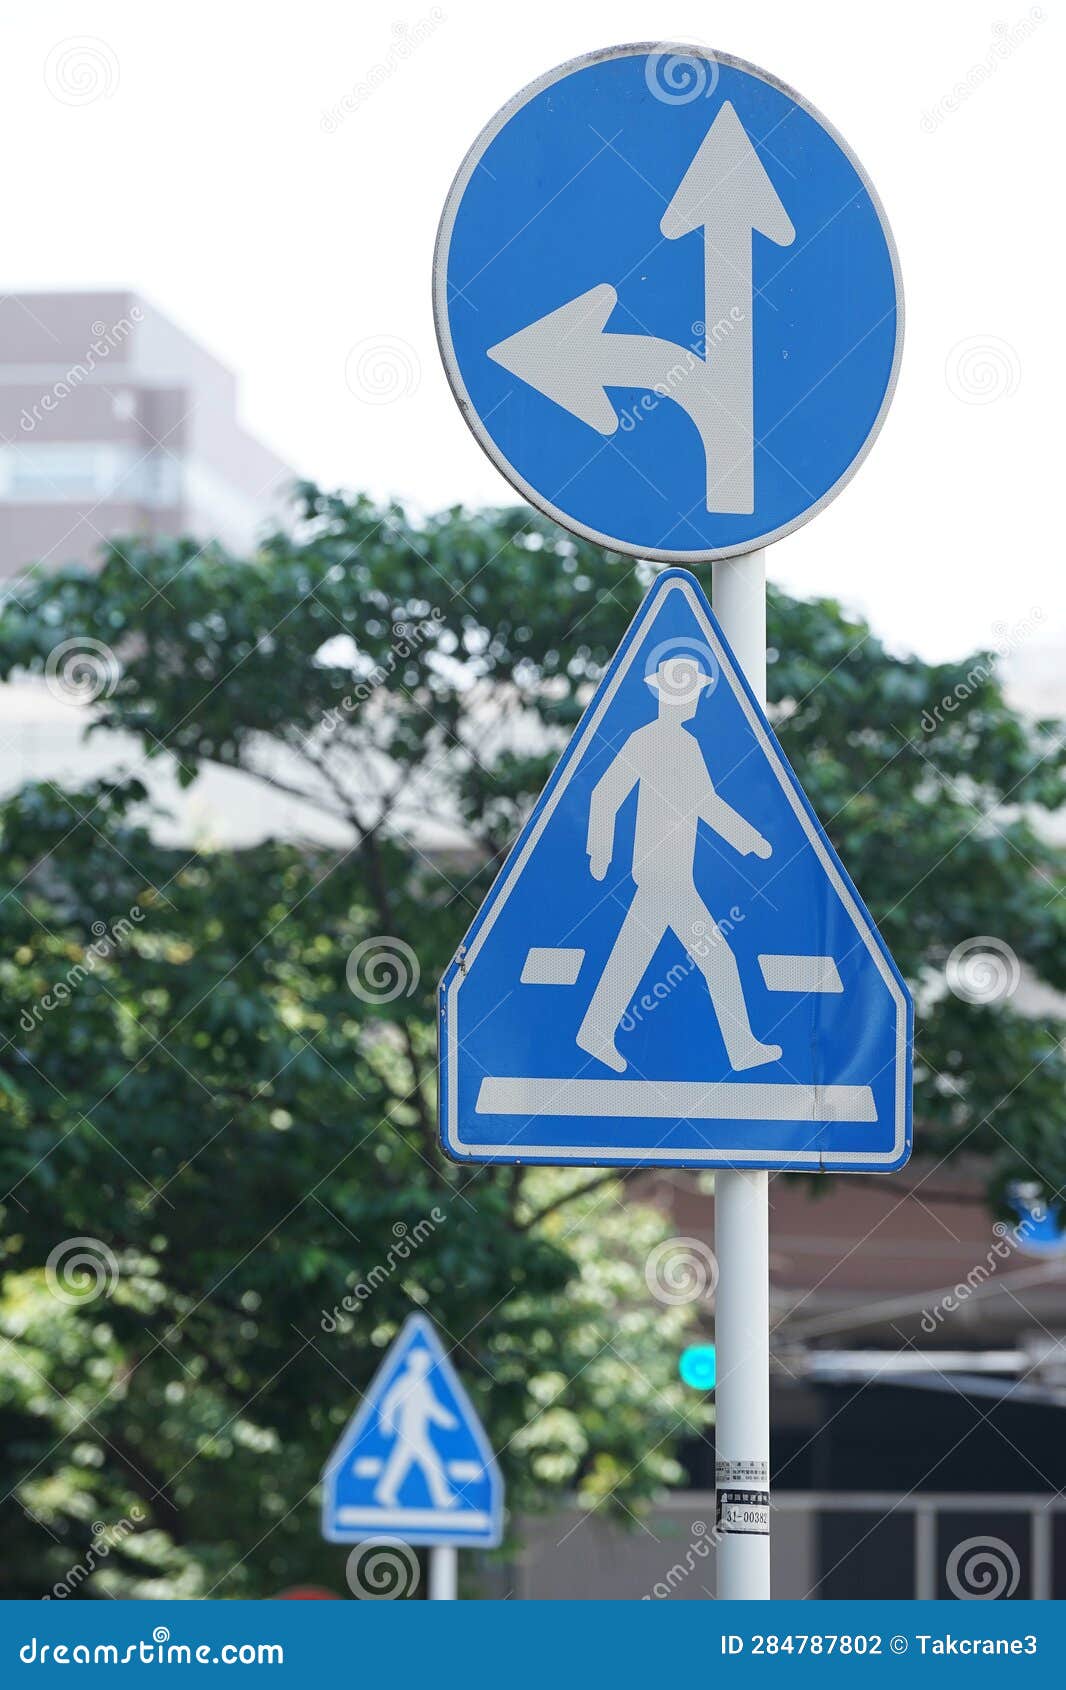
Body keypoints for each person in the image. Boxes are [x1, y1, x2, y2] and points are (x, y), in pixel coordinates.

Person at [576, 651, 782, 1075]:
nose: (695, 701)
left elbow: (705, 802)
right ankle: (740, 1048)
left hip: (669, 876)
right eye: (691, 693)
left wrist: (751, 840)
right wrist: (600, 851)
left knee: (634, 956)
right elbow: (605, 794)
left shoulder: (685, 744)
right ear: (672, 697)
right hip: (662, 875)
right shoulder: (647, 740)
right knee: (716, 959)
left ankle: (595, 1030)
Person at [373, 1348, 458, 1510]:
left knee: (403, 1463)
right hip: (409, 1433)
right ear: (414, 1364)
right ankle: (441, 1498)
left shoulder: (423, 1384)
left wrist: (445, 1420)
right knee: (432, 1464)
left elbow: (430, 1407)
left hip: (418, 1433)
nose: (425, 1366)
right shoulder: (405, 1382)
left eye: (426, 1363)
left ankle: (384, 1492)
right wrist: (385, 1423)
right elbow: (389, 1402)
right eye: (422, 1363)